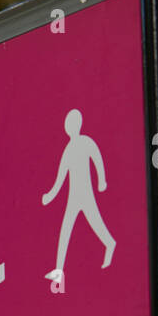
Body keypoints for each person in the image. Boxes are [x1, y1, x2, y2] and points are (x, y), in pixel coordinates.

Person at [42, 108, 116, 280]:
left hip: (86, 194)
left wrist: (102, 181)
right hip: (74, 197)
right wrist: (49, 196)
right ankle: (59, 270)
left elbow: (97, 158)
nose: (69, 127)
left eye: (70, 123)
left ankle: (110, 244)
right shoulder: (68, 149)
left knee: (95, 223)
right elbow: (60, 178)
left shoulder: (86, 142)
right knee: (66, 229)